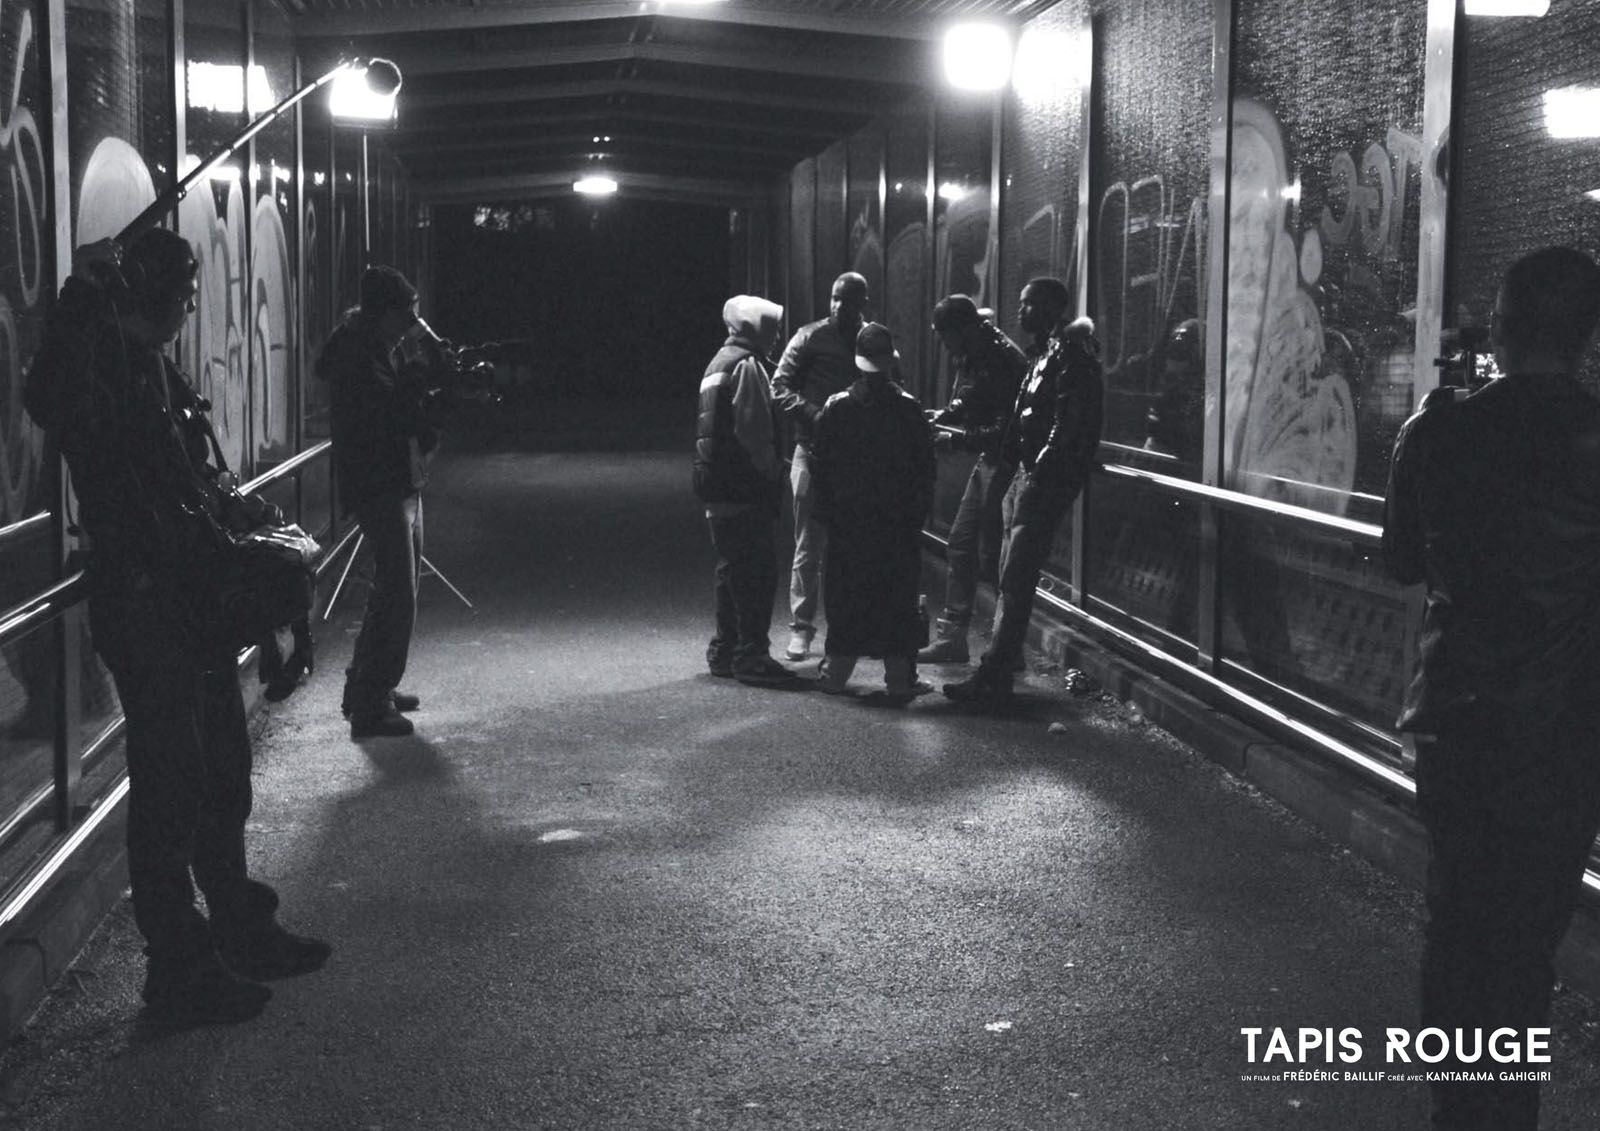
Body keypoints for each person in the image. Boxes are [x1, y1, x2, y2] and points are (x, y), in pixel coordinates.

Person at [23, 230, 329, 1027]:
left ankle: (236, 928)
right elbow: (48, 397)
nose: (191, 307)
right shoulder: (98, 368)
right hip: (144, 603)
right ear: (148, 293)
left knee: (221, 770)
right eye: (183, 294)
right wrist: (81, 299)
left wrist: (250, 525)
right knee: (172, 785)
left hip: (190, 599)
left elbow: (196, 476)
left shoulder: (155, 368)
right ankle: (180, 969)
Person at [1382, 245, 1600, 1131]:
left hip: (1459, 726)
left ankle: (1458, 1109)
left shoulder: (1439, 432)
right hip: (1565, 739)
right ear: (1586, 336)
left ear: (1500, 329)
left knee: (1457, 924)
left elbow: (1403, 560)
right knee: (1525, 944)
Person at [943, 278, 1103, 709]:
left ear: (1051, 307)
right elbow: (1032, 417)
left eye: (1029, 304)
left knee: (1014, 575)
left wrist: (1038, 467)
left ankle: (994, 673)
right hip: (1028, 473)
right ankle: (1000, 663)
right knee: (1007, 572)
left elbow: (1069, 420)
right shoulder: (1046, 353)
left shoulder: (1070, 354)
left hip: (1039, 477)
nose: (1021, 311)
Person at [316, 265, 435, 739]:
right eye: (405, 312)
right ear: (383, 313)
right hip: (379, 484)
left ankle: (369, 686)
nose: (412, 322)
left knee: (394, 590)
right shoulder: (358, 356)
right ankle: (370, 703)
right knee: (396, 595)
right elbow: (384, 419)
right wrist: (418, 379)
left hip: (399, 480)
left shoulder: (381, 346)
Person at [809, 323, 936, 702]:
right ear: (890, 361)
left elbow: (820, 464)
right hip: (895, 523)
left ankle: (836, 673)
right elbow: (924, 470)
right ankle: (899, 678)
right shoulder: (909, 408)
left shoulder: (837, 407)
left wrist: (828, 513)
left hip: (848, 522)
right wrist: (915, 515)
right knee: (897, 597)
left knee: (846, 595)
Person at [693, 295, 799, 687]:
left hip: (716, 483)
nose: (777, 336)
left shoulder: (718, 363)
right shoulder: (747, 366)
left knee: (731, 570)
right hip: (742, 486)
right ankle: (751, 656)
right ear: (755, 328)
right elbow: (754, 433)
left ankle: (725, 649)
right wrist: (774, 473)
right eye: (772, 328)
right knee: (756, 573)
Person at [918, 294, 1028, 665]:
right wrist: (947, 415)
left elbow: (1006, 431)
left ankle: (1006, 648)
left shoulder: (1003, 359)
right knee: (962, 545)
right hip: (991, 462)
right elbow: (972, 397)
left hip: (1007, 464)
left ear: (962, 330)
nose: (945, 346)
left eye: (945, 336)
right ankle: (957, 639)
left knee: (994, 557)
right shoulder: (979, 351)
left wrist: (956, 438)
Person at [771, 271, 870, 662]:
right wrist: (813, 414)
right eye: (835, 298)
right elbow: (779, 386)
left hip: (855, 458)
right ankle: (802, 627)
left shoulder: (870, 339)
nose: (838, 306)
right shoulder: (809, 336)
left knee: (849, 546)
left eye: (847, 299)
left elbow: (892, 384)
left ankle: (845, 629)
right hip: (811, 451)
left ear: (863, 303)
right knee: (808, 546)